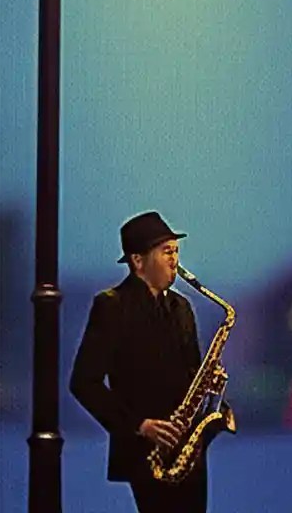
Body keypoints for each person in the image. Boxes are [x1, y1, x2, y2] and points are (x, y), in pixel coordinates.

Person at [69, 211, 208, 513]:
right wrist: (138, 425)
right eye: (166, 251)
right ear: (138, 261)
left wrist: (211, 387)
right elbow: (83, 383)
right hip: (146, 453)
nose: (175, 260)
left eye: (176, 251)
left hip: (186, 449)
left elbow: (193, 374)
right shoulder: (112, 306)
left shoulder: (182, 307)